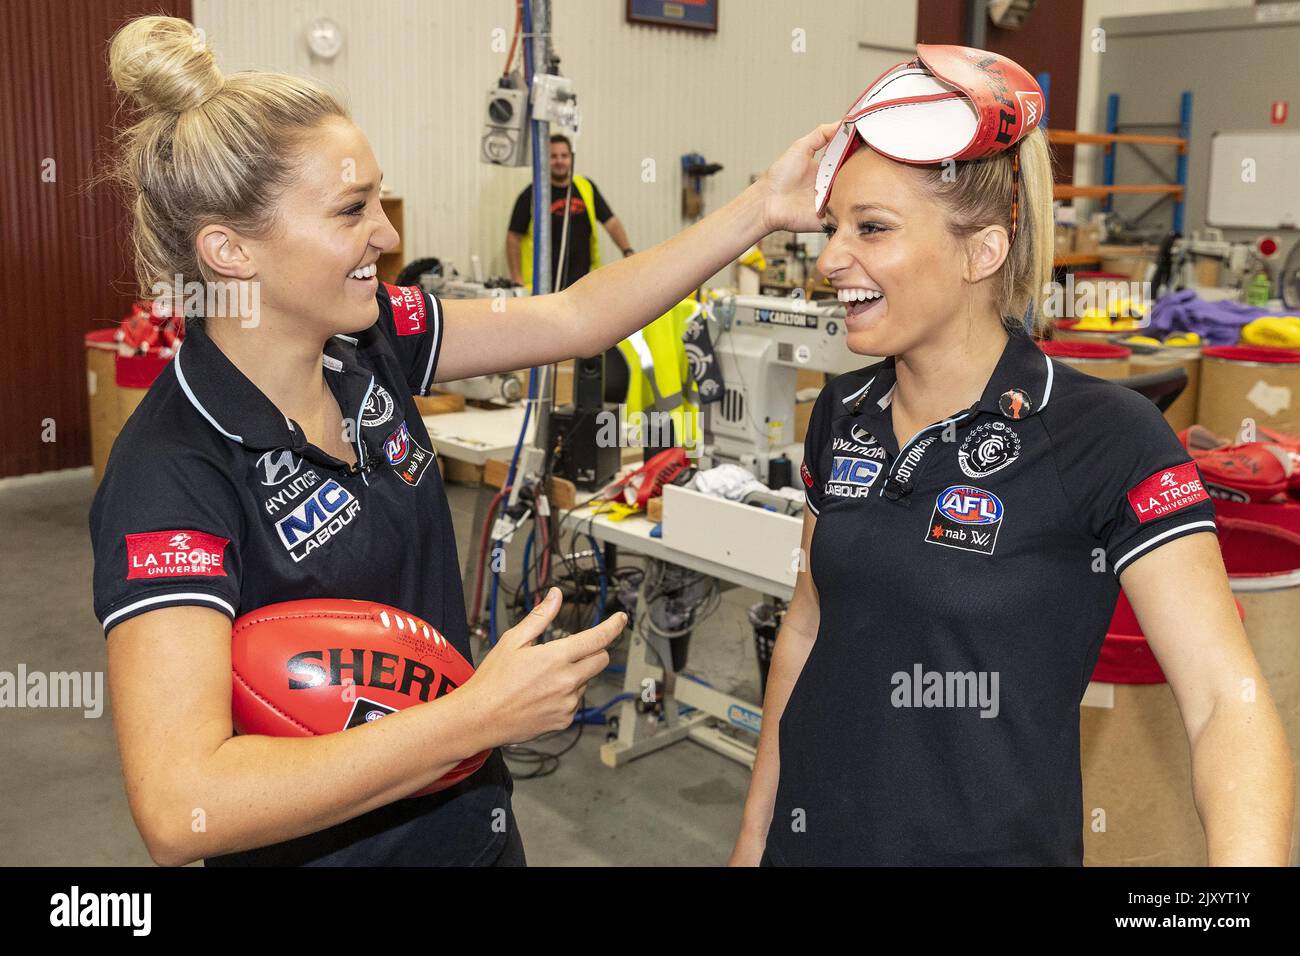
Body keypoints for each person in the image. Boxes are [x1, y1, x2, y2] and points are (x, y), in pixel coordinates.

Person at [89, 15, 834, 866]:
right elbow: (184, 803)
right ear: (229, 250)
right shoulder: (173, 469)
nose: (388, 234)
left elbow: (574, 314)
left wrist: (760, 210)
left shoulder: (372, 344)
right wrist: (475, 718)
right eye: (351, 211)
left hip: (471, 830)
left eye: (378, 197)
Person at [730, 44, 1294, 866]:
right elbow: (808, 629)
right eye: (832, 229)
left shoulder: (1107, 438)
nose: (827, 260)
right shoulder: (842, 415)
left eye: (871, 229)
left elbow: (1224, 700)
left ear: (982, 251)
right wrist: (753, 841)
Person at [506, 134, 633, 290]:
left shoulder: (586, 187)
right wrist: (517, 279)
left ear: (571, 158)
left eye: (564, 156)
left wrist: (627, 251)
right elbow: (513, 237)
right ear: (545, 160)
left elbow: (611, 222)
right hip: (543, 288)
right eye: (553, 156)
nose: (559, 161)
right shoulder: (532, 194)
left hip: (584, 284)